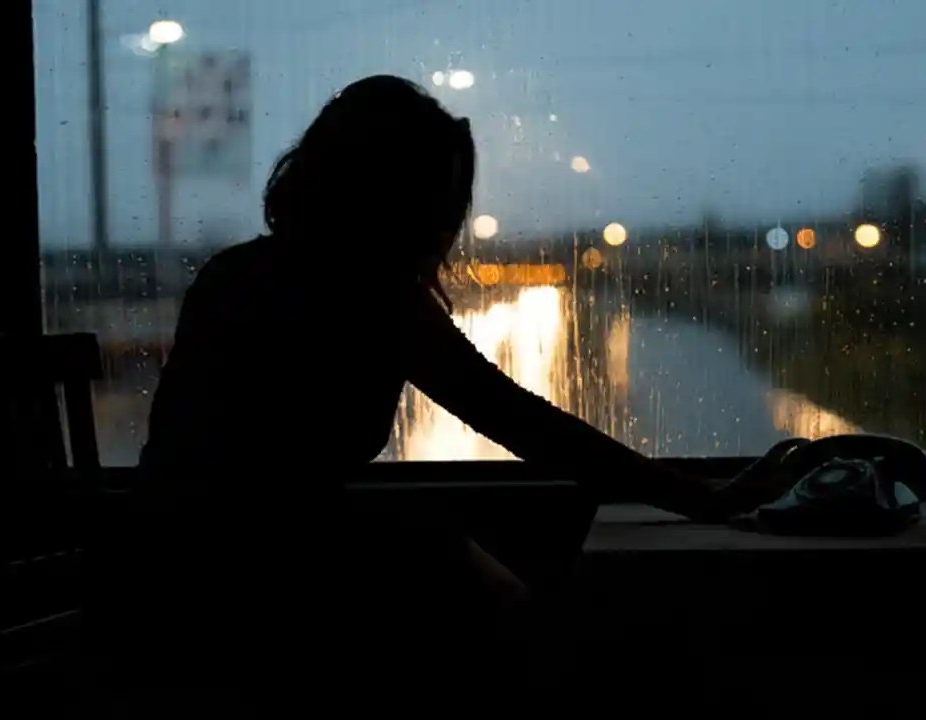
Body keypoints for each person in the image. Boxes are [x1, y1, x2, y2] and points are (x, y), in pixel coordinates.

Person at [128, 75, 791, 705]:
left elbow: (188, 465)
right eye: (438, 193)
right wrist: (695, 495)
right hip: (255, 583)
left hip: (170, 572)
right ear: (400, 195)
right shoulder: (371, 294)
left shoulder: (237, 274)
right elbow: (517, 418)